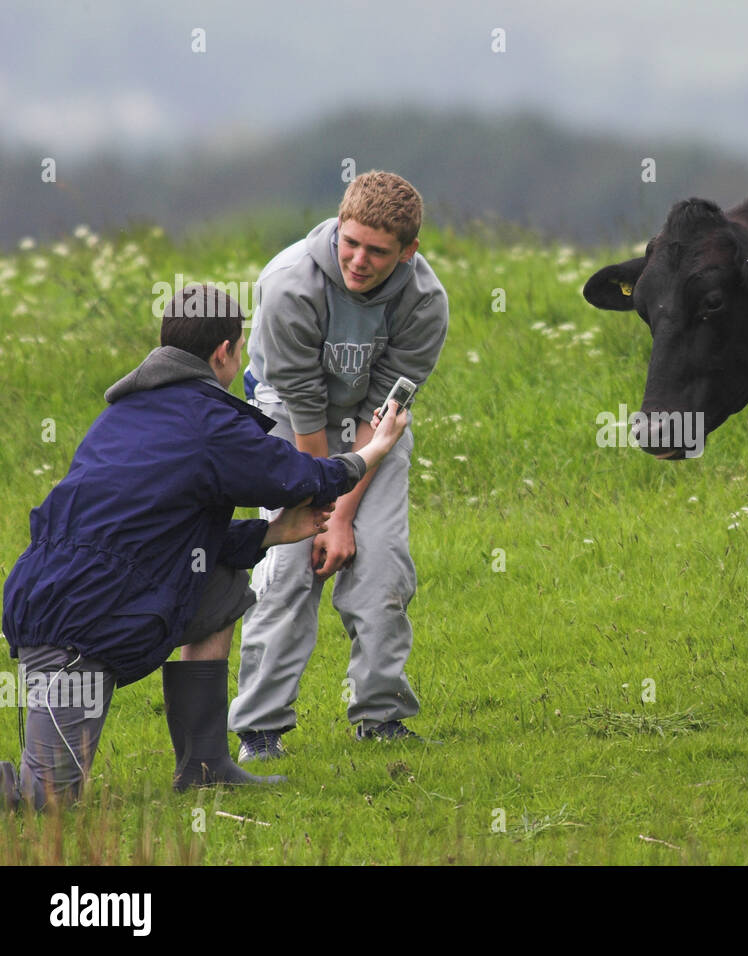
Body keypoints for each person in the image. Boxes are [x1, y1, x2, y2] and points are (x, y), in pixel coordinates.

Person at [0, 285, 409, 811]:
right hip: (76, 623)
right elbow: (296, 477)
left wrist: (267, 534)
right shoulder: (207, 422)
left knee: (221, 585)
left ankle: (204, 767)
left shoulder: (123, 416)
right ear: (224, 351)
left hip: (72, 597)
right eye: (239, 352)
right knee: (46, 800)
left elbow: (164, 542)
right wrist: (372, 448)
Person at [230, 170, 448, 760]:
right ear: (338, 226)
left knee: (383, 570)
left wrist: (346, 518)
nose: (358, 260)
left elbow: (386, 411)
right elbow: (302, 410)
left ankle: (380, 718)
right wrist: (322, 519)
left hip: (370, 429)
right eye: (351, 243)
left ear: (409, 251)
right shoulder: (288, 286)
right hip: (289, 422)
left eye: (378, 252)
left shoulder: (424, 302)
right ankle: (260, 729)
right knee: (289, 566)